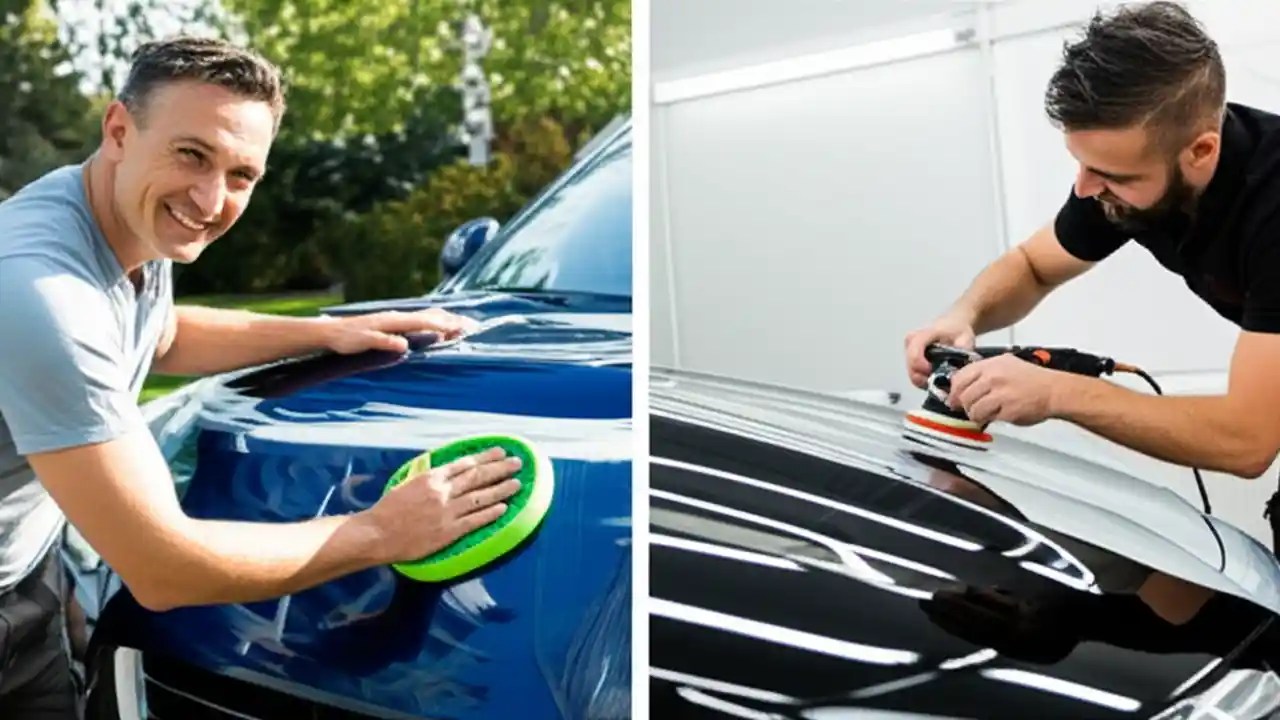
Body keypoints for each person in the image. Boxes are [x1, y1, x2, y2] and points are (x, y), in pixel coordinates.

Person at [0, 36, 522, 717]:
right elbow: (161, 567)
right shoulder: (41, 289)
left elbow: (159, 333)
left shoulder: (120, 219)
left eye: (241, 175)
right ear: (120, 129)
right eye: (192, 154)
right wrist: (384, 532)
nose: (212, 199)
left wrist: (323, 332)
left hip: (25, 583)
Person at [904, 3, 1280, 523]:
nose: (1084, 188)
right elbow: (1034, 265)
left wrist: (1058, 392)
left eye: (1109, 174)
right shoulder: (1128, 182)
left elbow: (1246, 441)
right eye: (1080, 164)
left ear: (1200, 151)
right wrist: (964, 314)